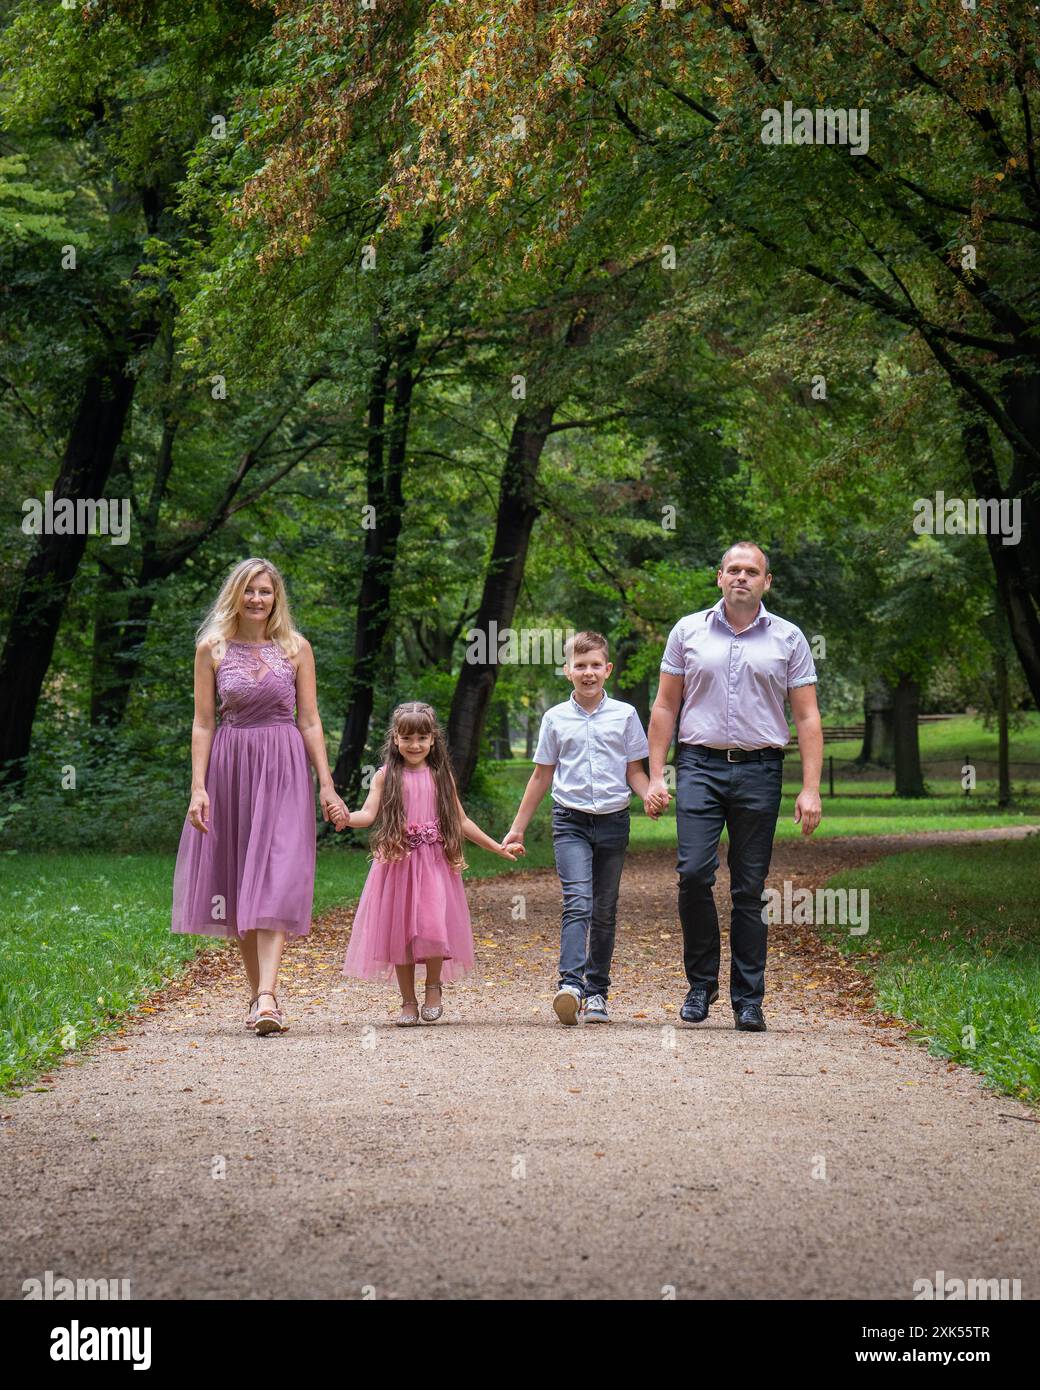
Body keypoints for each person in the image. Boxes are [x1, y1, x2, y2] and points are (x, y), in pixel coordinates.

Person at [646, 543, 823, 1032]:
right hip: (699, 765)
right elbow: (664, 707)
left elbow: (807, 716)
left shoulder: (788, 638)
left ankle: (749, 998)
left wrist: (811, 789)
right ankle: (701, 985)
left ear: (767, 581)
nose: (741, 577)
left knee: (750, 887)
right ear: (718, 577)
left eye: (752, 571)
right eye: (734, 570)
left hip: (761, 769)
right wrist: (657, 774)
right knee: (694, 874)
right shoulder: (688, 631)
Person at [171, 557, 348, 1037]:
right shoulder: (211, 648)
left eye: (265, 591)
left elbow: (309, 720)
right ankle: (260, 998)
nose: (257, 599)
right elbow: (203, 721)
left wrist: (327, 784)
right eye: (249, 590)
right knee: (238, 881)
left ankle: (268, 994)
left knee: (276, 873)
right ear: (236, 594)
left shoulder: (295, 649)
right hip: (231, 767)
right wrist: (198, 787)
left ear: (276, 597)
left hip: (284, 767)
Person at [504, 631, 657, 1026]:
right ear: (567, 670)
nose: (587, 673)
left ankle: (598, 993)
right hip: (569, 821)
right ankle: (570, 986)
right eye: (580, 665)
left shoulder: (624, 715)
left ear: (607, 669)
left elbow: (634, 772)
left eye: (595, 666)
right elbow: (541, 776)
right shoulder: (555, 718)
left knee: (605, 909)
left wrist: (649, 795)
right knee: (578, 902)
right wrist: (518, 828)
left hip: (613, 822)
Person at [342, 701, 520, 1026]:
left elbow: (462, 820)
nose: (414, 745)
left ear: (433, 740)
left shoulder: (440, 775)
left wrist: (496, 847)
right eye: (407, 738)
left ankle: (433, 985)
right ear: (395, 739)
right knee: (401, 933)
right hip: (397, 863)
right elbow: (368, 815)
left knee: (432, 926)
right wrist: (345, 818)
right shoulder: (385, 776)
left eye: (422, 738)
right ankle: (407, 1000)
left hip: (433, 862)